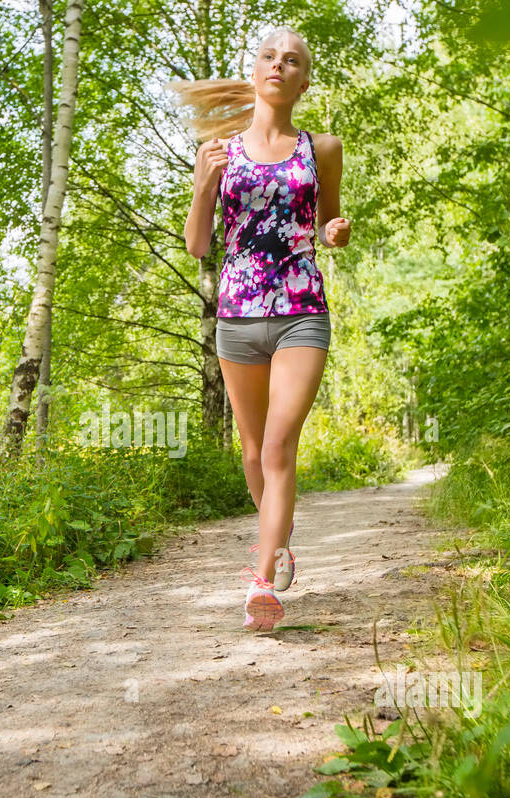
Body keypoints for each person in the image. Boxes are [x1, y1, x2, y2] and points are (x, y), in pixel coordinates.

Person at [172, 28, 351, 631]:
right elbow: (198, 245)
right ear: (255, 71)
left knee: (278, 447)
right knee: (252, 453)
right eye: (270, 56)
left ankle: (262, 581)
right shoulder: (221, 151)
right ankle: (281, 541)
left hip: (302, 310)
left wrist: (335, 233)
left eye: (292, 60)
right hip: (237, 315)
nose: (280, 65)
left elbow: (326, 221)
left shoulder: (321, 148)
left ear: (303, 80)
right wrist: (202, 182)